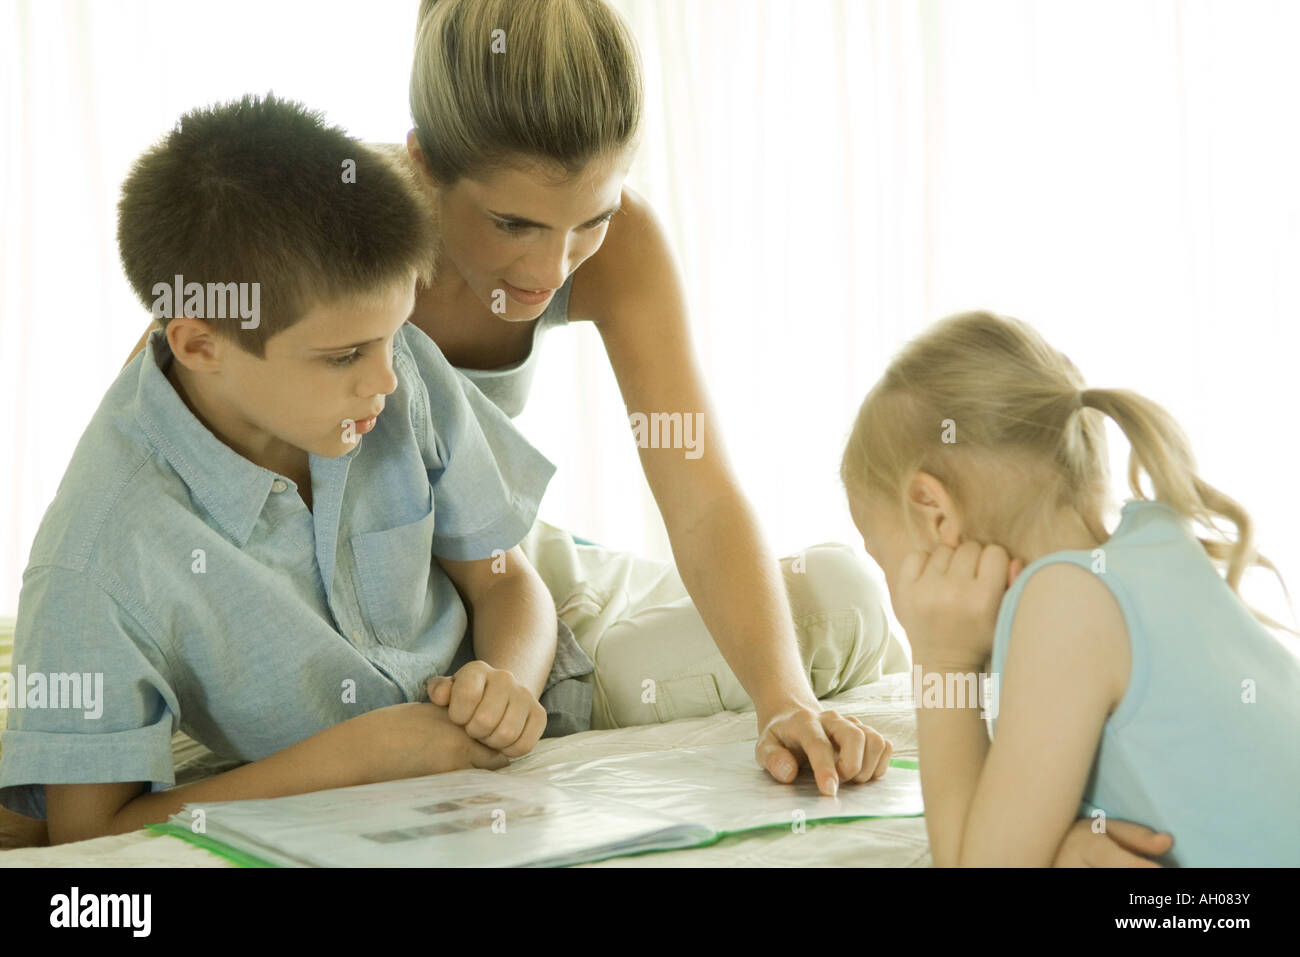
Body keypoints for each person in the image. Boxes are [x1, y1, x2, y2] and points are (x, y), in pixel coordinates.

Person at [123, 0, 905, 797]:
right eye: (512, 222)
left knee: (844, 593)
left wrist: (784, 700)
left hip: (515, 569)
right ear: (423, 162)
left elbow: (699, 494)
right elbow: (144, 446)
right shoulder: (318, 236)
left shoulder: (624, 248)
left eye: (590, 220)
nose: (552, 268)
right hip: (390, 604)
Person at [0, 94, 590, 844]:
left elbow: (503, 577)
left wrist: (505, 680)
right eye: (344, 356)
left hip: (566, 615)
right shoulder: (99, 557)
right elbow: (89, 835)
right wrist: (362, 755)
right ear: (199, 344)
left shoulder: (385, 359)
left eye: (393, 334)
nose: (386, 379)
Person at [841, 310, 1300, 866]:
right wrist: (1063, 841)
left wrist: (942, 660)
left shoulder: (1063, 603)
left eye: (880, 555)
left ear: (935, 514)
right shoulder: (1157, 541)